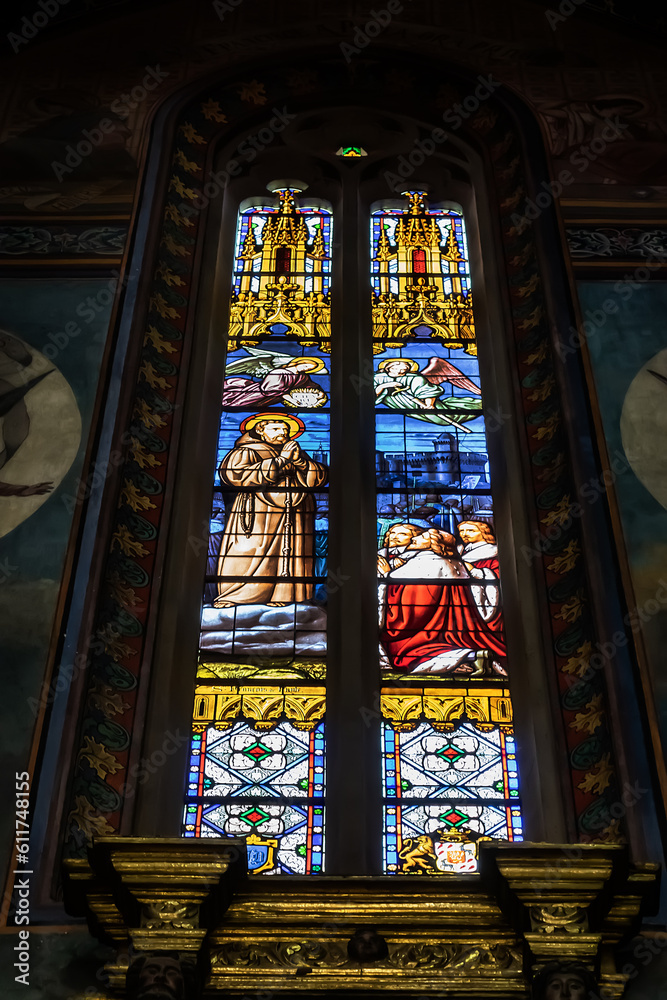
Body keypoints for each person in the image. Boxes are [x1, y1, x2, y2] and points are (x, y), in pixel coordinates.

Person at [214, 413, 327, 607]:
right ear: (260, 430)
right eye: (276, 429)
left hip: (296, 511)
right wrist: (280, 461)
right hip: (258, 510)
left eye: (285, 430)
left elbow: (317, 478)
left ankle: (284, 595)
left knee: (293, 553)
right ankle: (236, 595)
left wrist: (300, 462)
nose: (282, 433)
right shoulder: (247, 450)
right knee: (249, 551)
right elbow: (234, 474)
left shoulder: (296, 451)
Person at [378, 522, 506, 674]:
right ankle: (471, 658)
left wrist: (386, 575)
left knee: (402, 651)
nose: (414, 539)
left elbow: (411, 604)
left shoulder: (425, 561)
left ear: (432, 543)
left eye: (422, 536)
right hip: (450, 628)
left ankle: (465, 657)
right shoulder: (454, 562)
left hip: (428, 631)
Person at [374, 357, 481, 430]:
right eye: (402, 367)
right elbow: (372, 397)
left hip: (422, 404)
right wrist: (384, 386)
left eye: (406, 368)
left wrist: (430, 404)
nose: (405, 369)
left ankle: (475, 405)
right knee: (443, 420)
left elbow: (426, 390)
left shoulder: (414, 378)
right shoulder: (376, 378)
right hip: (404, 406)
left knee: (447, 418)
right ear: (391, 366)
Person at [222, 350, 327, 408]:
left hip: (273, 399)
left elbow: (310, 385)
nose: (306, 369)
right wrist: (288, 397)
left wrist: (320, 393)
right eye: (305, 366)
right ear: (299, 363)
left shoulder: (303, 377)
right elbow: (268, 389)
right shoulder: (278, 372)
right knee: (238, 404)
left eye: (309, 369)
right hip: (257, 394)